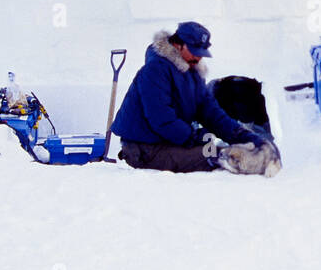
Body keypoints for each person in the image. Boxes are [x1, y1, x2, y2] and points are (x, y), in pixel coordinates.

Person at [111, 21, 280, 176]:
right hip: (144, 148)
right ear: (178, 44)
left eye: (201, 53)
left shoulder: (193, 73)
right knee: (216, 157)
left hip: (168, 141)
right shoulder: (155, 70)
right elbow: (161, 119)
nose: (198, 57)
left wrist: (245, 136)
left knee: (217, 152)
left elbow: (212, 114)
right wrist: (195, 137)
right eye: (194, 51)